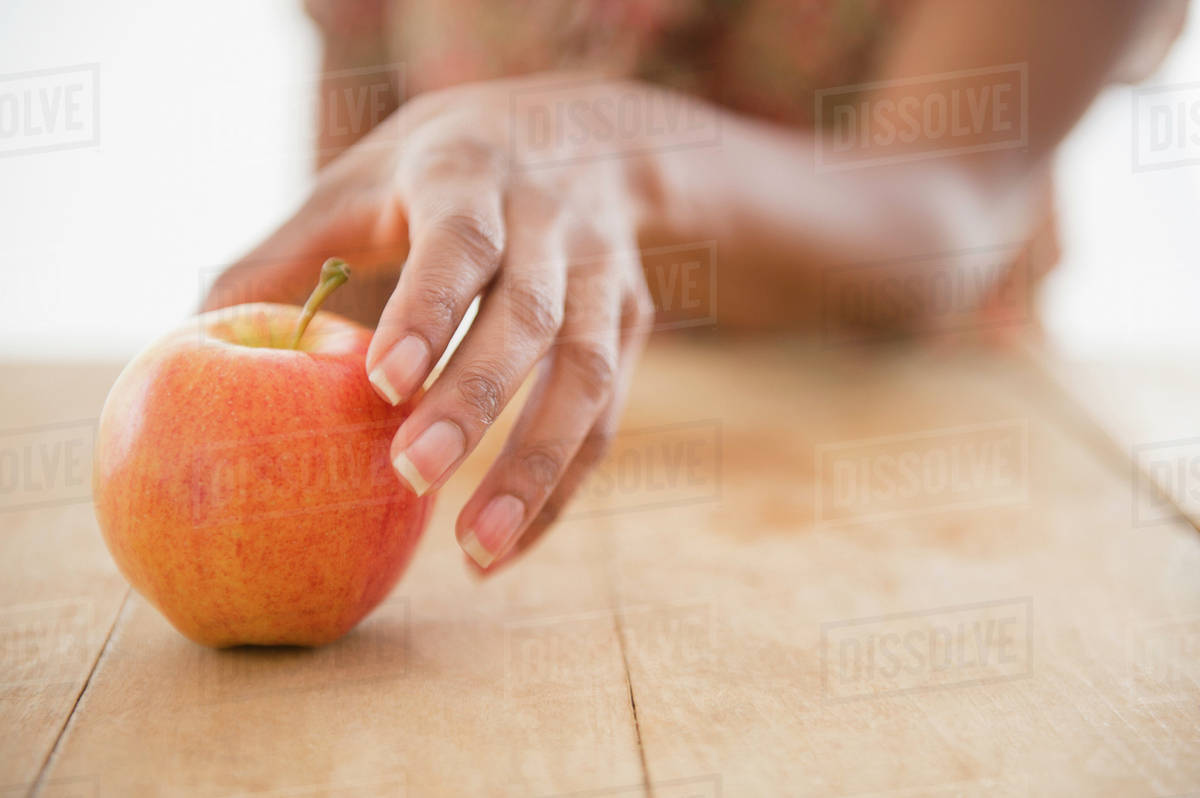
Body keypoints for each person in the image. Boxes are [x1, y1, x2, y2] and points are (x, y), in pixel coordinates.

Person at [203, 0, 1187, 572]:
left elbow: (952, 192)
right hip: (510, 469)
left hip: (916, 495)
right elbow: (367, 230)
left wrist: (619, 149)